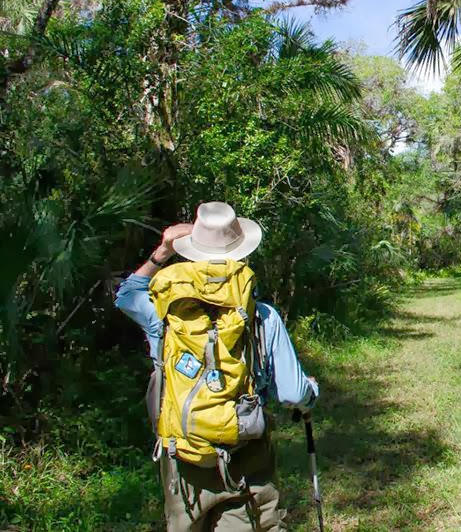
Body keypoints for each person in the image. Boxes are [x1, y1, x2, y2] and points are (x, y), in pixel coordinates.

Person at [115, 201, 319, 531]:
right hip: (247, 454)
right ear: (242, 254)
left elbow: (125, 295)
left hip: (183, 457)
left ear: (190, 253)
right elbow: (294, 392)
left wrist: (162, 252)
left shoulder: (164, 312)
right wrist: (311, 393)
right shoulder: (262, 316)